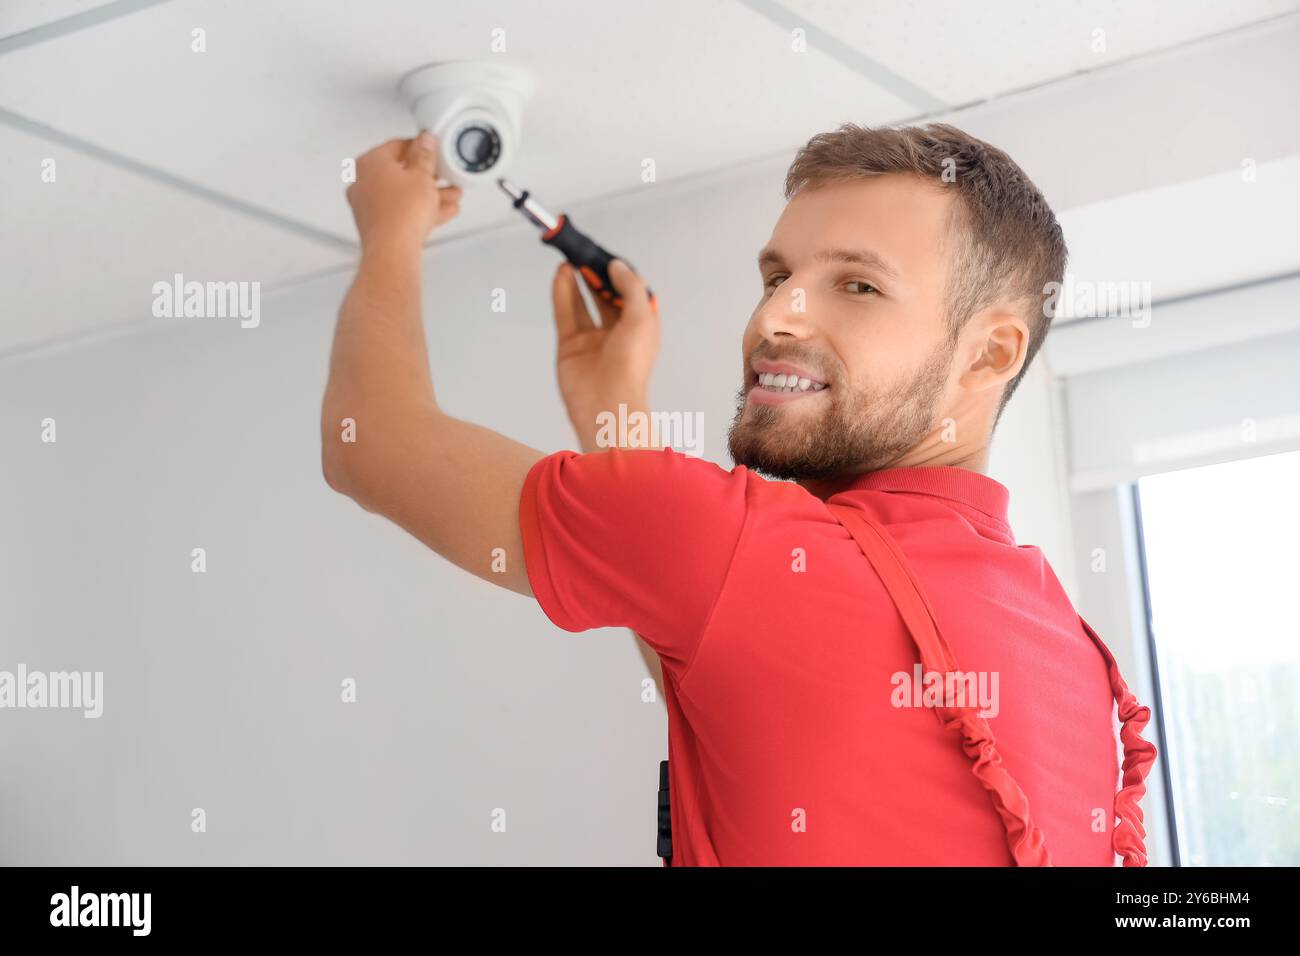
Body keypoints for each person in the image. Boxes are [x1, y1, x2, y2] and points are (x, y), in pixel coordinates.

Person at [320, 123, 1156, 866]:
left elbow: (368, 442)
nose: (775, 319)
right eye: (776, 276)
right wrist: (614, 415)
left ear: (988, 355)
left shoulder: (749, 550)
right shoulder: (1064, 651)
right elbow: (727, 674)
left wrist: (390, 227)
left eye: (857, 285)